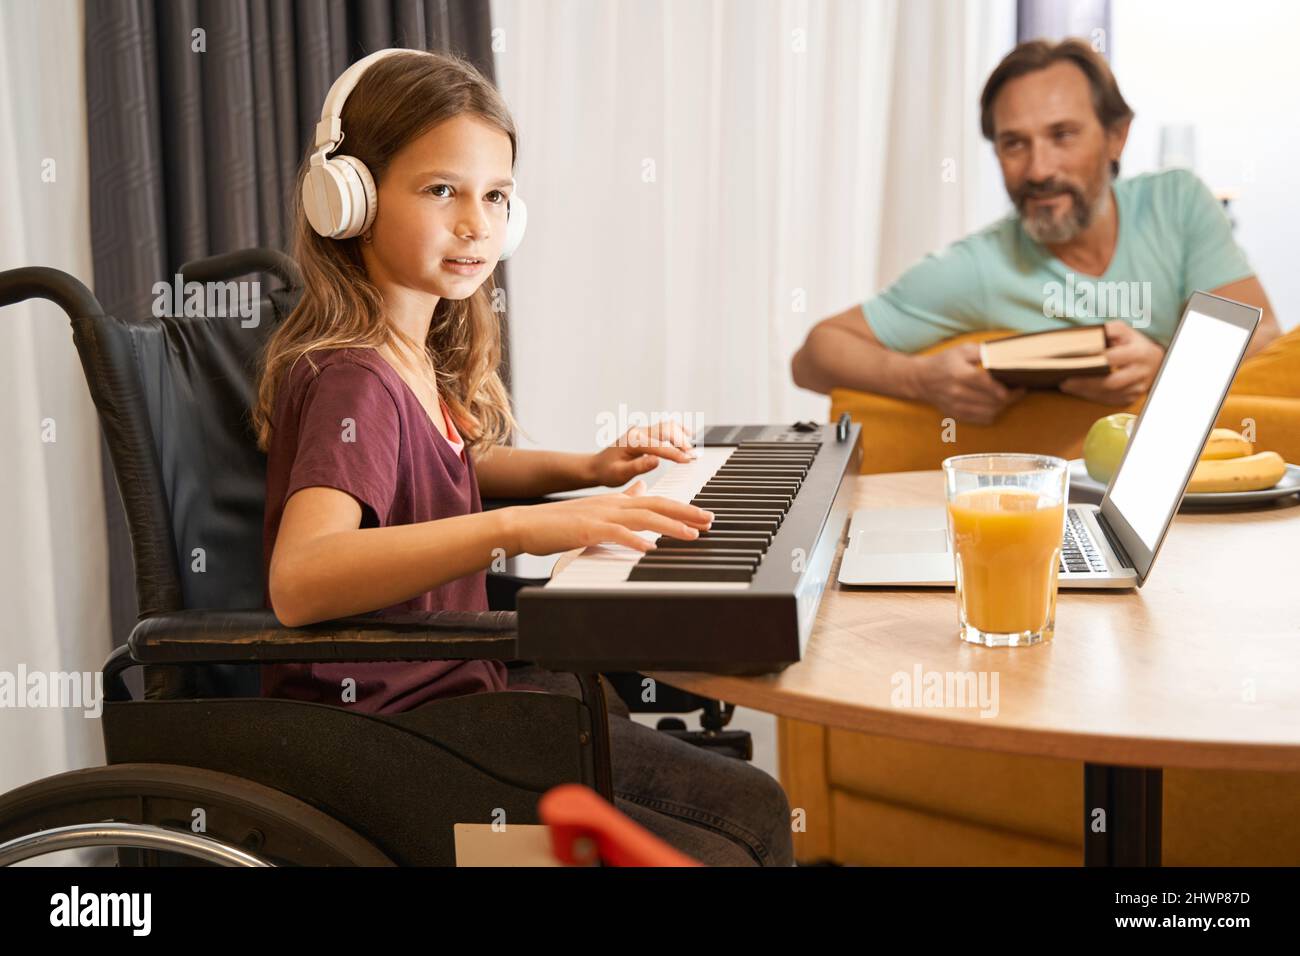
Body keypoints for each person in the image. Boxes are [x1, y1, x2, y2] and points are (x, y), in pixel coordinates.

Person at [252, 49, 793, 866]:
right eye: (442, 190)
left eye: (496, 197)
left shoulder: (406, 356)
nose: (477, 223)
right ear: (348, 200)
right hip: (391, 737)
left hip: (457, 697)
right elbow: (303, 577)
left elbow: (448, 469)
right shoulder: (355, 378)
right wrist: (517, 531)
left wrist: (585, 471)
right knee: (740, 828)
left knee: (746, 805)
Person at [792, 38, 1283, 424]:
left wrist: (1166, 366)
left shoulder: (1177, 203)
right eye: (1014, 144)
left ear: (1117, 136)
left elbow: (1262, 333)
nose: (1039, 169)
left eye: (1062, 135)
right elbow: (814, 355)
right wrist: (921, 379)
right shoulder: (979, 266)